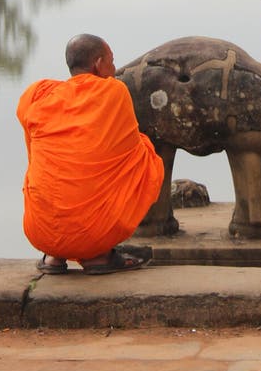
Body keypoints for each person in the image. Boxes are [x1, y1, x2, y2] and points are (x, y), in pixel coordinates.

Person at [17, 33, 164, 274]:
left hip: (39, 231)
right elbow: (128, 145)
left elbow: (27, 122)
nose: (115, 68)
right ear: (98, 64)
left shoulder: (40, 94)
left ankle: (55, 256)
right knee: (145, 154)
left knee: (48, 159)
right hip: (94, 233)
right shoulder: (114, 92)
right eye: (111, 61)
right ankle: (98, 255)